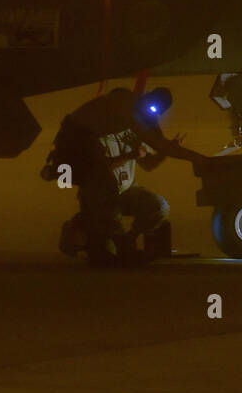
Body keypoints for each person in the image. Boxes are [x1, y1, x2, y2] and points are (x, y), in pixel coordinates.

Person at [45, 86, 204, 266]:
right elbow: (99, 168)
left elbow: (149, 164)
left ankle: (127, 240)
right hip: (101, 195)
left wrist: (167, 150)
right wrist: (132, 155)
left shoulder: (131, 132)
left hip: (126, 191)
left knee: (158, 207)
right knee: (103, 255)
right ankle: (85, 228)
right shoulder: (96, 134)